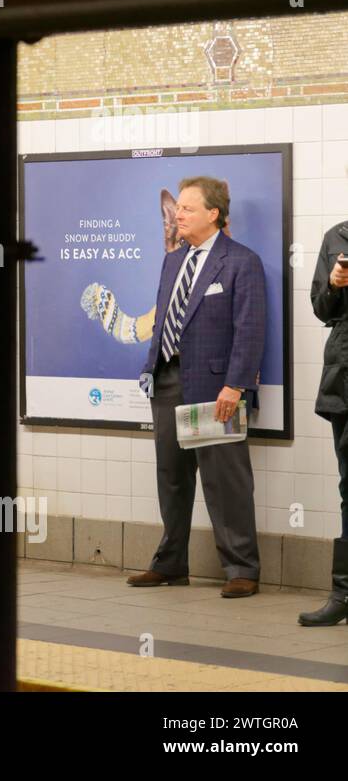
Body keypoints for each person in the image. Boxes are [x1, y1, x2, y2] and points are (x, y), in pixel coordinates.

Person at [129, 177, 265, 596]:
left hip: (215, 388)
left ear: (214, 214)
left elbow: (250, 329)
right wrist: (152, 367)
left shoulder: (242, 262)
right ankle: (170, 564)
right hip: (168, 380)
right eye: (177, 209)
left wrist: (235, 386)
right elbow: (163, 320)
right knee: (171, 475)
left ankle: (241, 569)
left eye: (188, 208)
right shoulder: (173, 260)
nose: (178, 215)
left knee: (224, 479)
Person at [301, 222, 348, 625]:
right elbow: (319, 306)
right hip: (345, 381)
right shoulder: (337, 237)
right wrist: (334, 283)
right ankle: (344, 593)